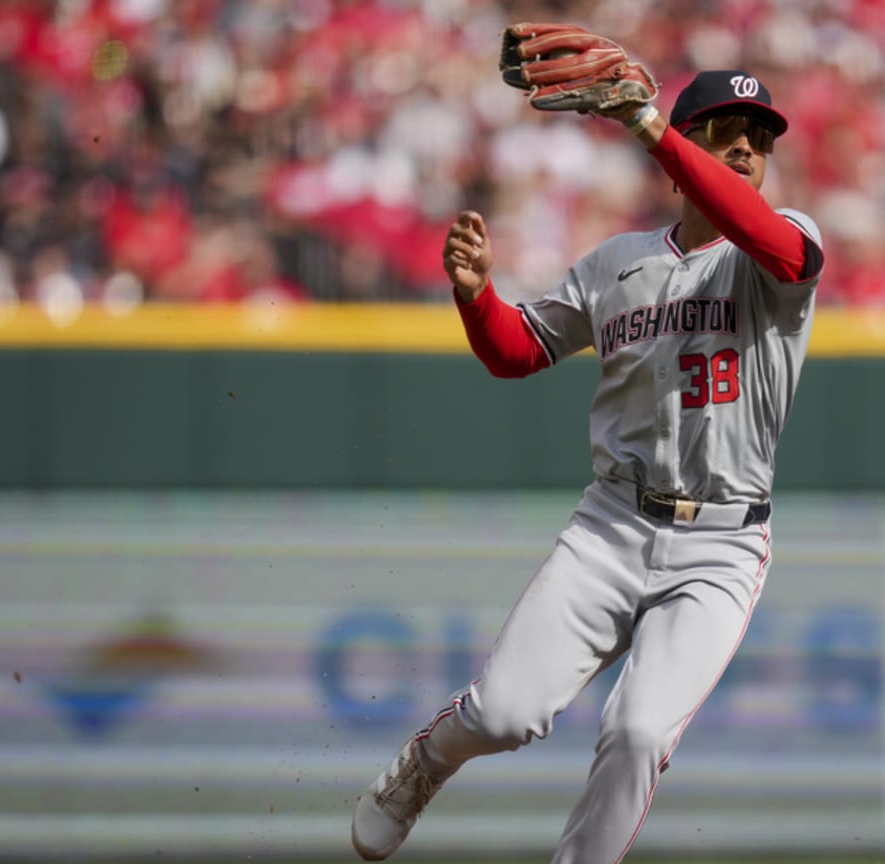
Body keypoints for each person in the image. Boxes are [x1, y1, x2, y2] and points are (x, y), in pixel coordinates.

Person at [350, 67, 825, 864]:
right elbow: (517, 352)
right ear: (682, 150)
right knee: (505, 714)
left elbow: (773, 244)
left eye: (761, 136)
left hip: (720, 543)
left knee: (639, 732)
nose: (746, 146)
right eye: (723, 129)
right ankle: (426, 762)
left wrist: (647, 125)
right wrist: (477, 298)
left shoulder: (782, 244)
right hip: (613, 523)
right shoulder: (617, 264)